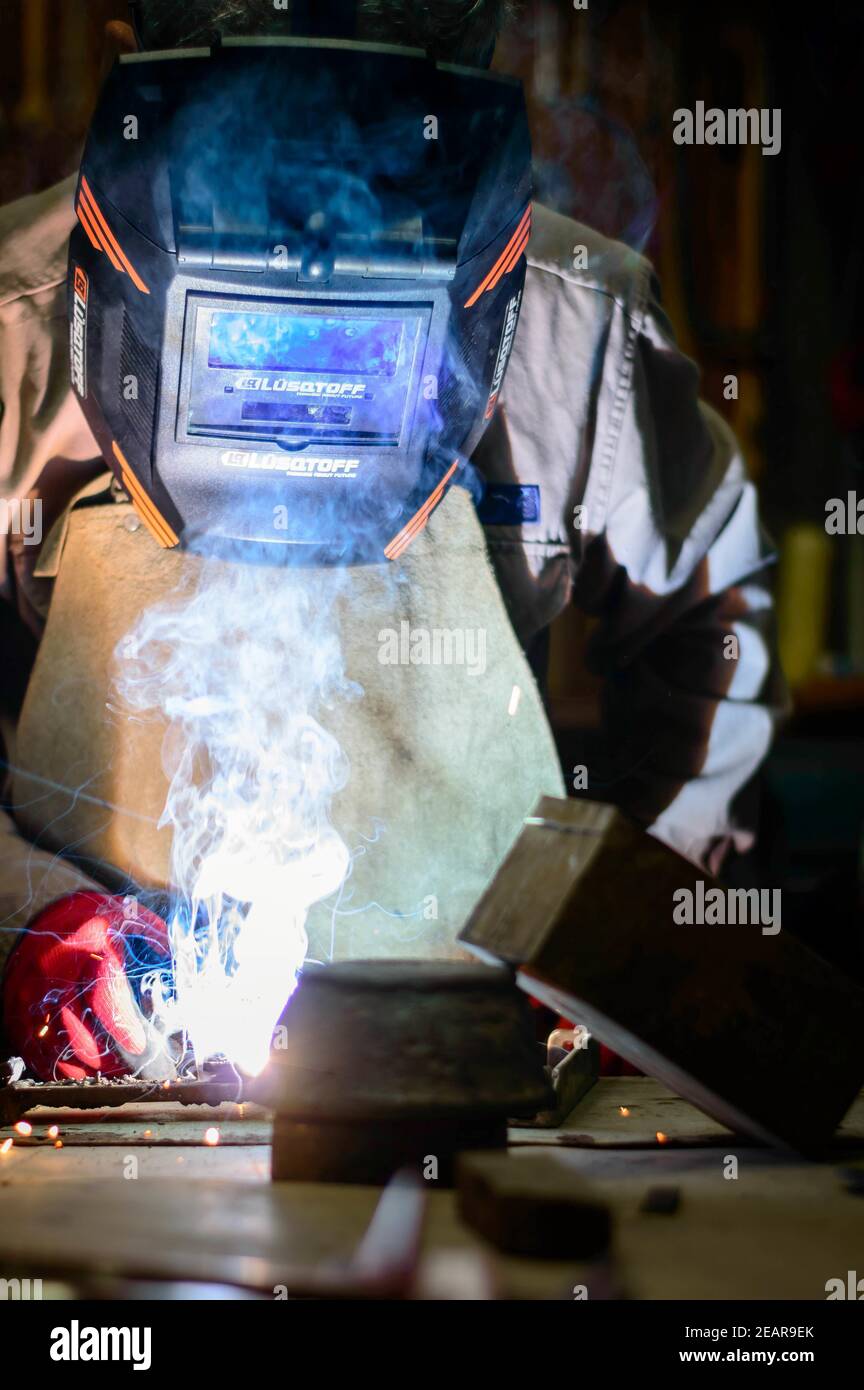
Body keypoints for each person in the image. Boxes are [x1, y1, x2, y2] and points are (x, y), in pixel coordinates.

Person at [0, 0, 786, 1080]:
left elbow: (713, 620)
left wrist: (633, 933)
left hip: (487, 1068)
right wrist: (25, 916)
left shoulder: (571, 324)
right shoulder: (19, 321)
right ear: (130, 63)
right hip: (112, 1063)